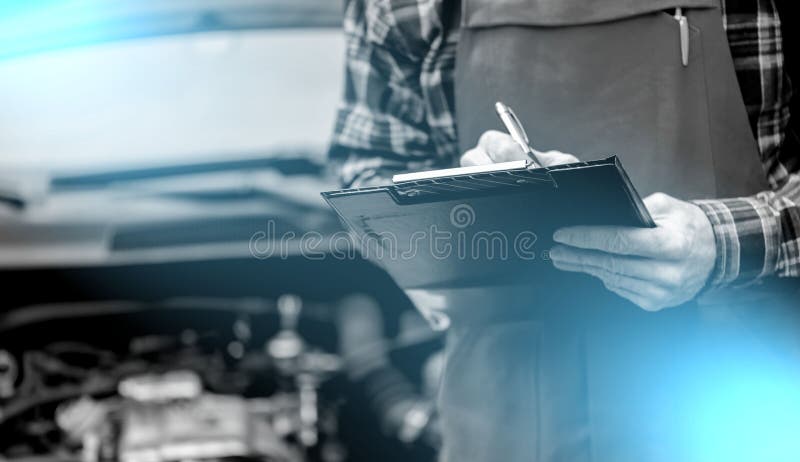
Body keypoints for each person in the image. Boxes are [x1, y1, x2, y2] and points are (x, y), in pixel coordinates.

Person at [329, 0, 800, 460]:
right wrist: (448, 215)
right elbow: (368, 164)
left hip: (743, 394)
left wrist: (724, 240)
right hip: (505, 404)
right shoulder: (404, 6)